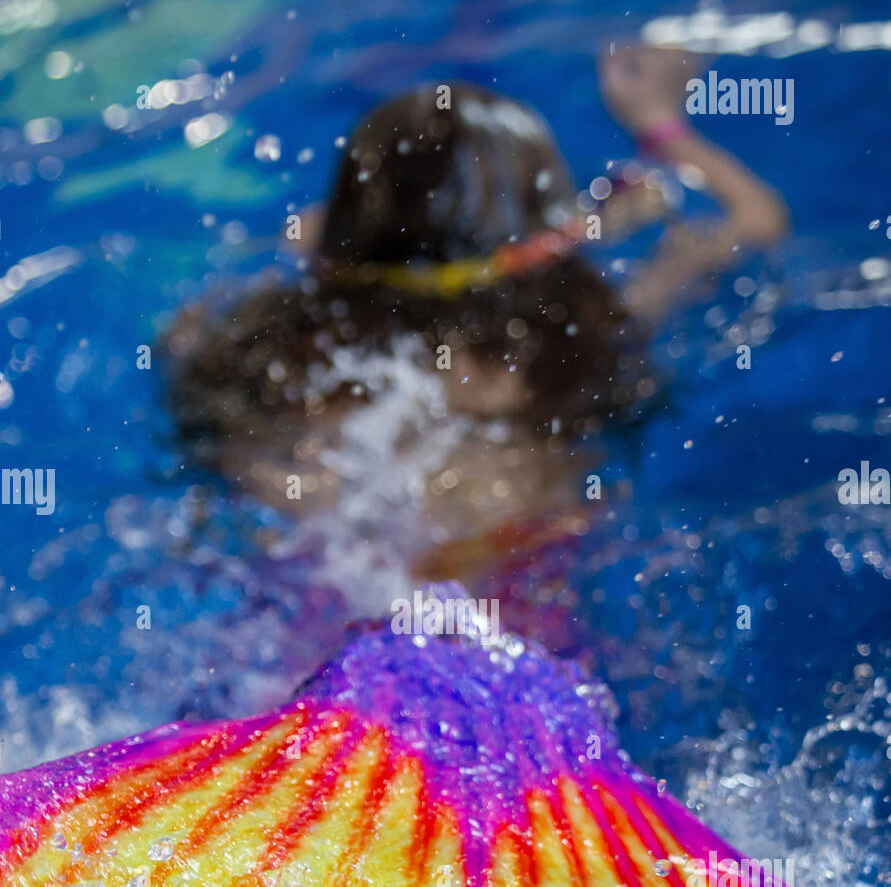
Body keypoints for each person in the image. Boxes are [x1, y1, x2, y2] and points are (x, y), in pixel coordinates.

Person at [166, 48, 788, 575]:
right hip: (511, 620)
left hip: (303, 610)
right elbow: (756, 222)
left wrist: (329, 246)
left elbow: (185, 333)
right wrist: (659, 125)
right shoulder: (571, 345)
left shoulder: (271, 350)